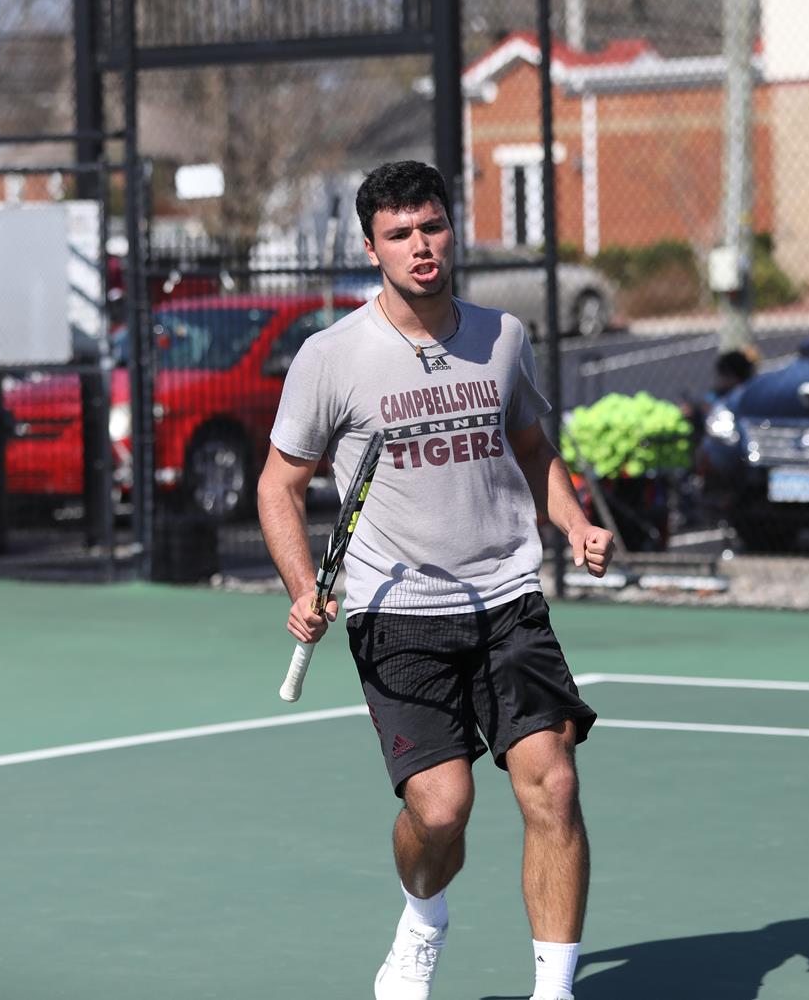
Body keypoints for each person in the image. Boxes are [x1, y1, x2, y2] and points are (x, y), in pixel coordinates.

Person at [257, 160, 615, 1000]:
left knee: (553, 785)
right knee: (442, 810)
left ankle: (555, 991)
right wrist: (301, 585)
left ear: (451, 228)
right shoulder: (332, 357)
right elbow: (279, 483)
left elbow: (531, 447)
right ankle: (423, 917)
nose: (421, 247)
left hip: (507, 600)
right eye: (400, 234)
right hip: (398, 614)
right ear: (372, 247)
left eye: (432, 227)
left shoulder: (502, 337)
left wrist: (575, 522)